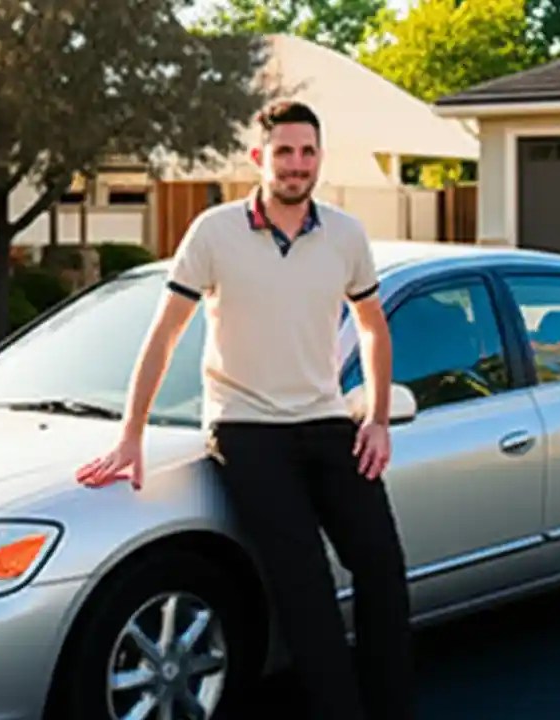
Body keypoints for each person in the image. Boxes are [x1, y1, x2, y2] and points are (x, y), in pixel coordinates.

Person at [74, 100, 413, 720]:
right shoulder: (214, 232)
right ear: (259, 157)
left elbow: (372, 324)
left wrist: (378, 418)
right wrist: (131, 436)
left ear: (320, 158)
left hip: (326, 421)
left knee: (383, 569)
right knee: (305, 584)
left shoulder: (345, 234)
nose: (296, 164)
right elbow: (165, 334)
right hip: (247, 429)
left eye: (307, 152)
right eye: (284, 152)